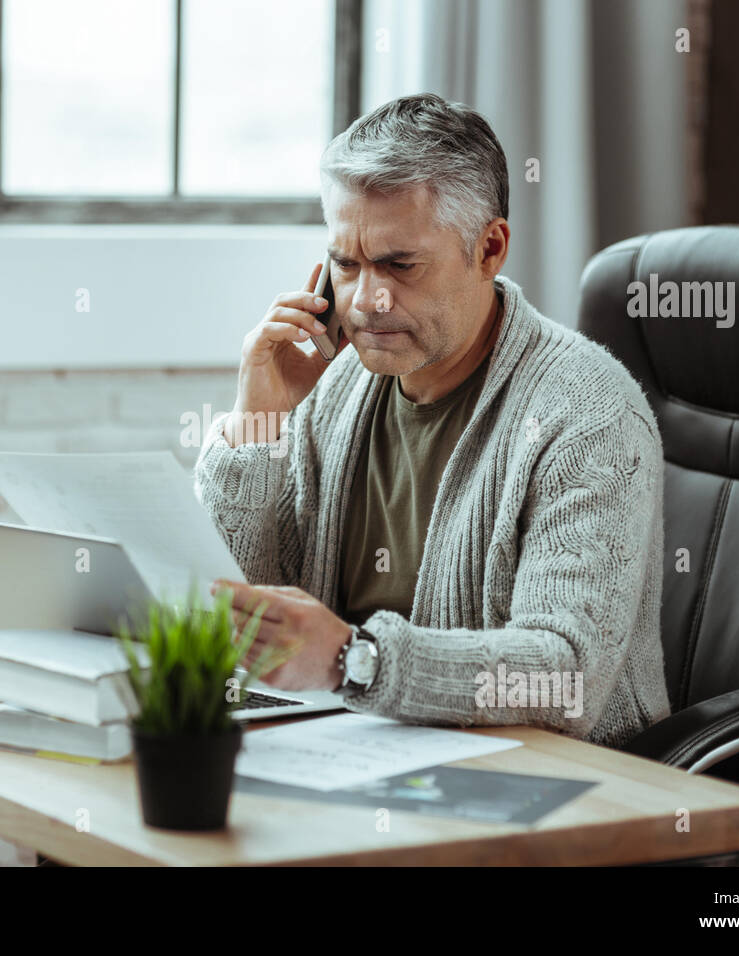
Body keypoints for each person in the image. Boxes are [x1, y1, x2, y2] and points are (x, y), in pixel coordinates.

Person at [196, 93, 670, 749]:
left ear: (490, 248)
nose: (365, 301)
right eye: (345, 263)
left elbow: (567, 676)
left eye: (399, 264)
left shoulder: (589, 412)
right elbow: (248, 610)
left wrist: (354, 660)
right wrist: (258, 424)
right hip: (362, 749)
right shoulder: (335, 385)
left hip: (559, 782)